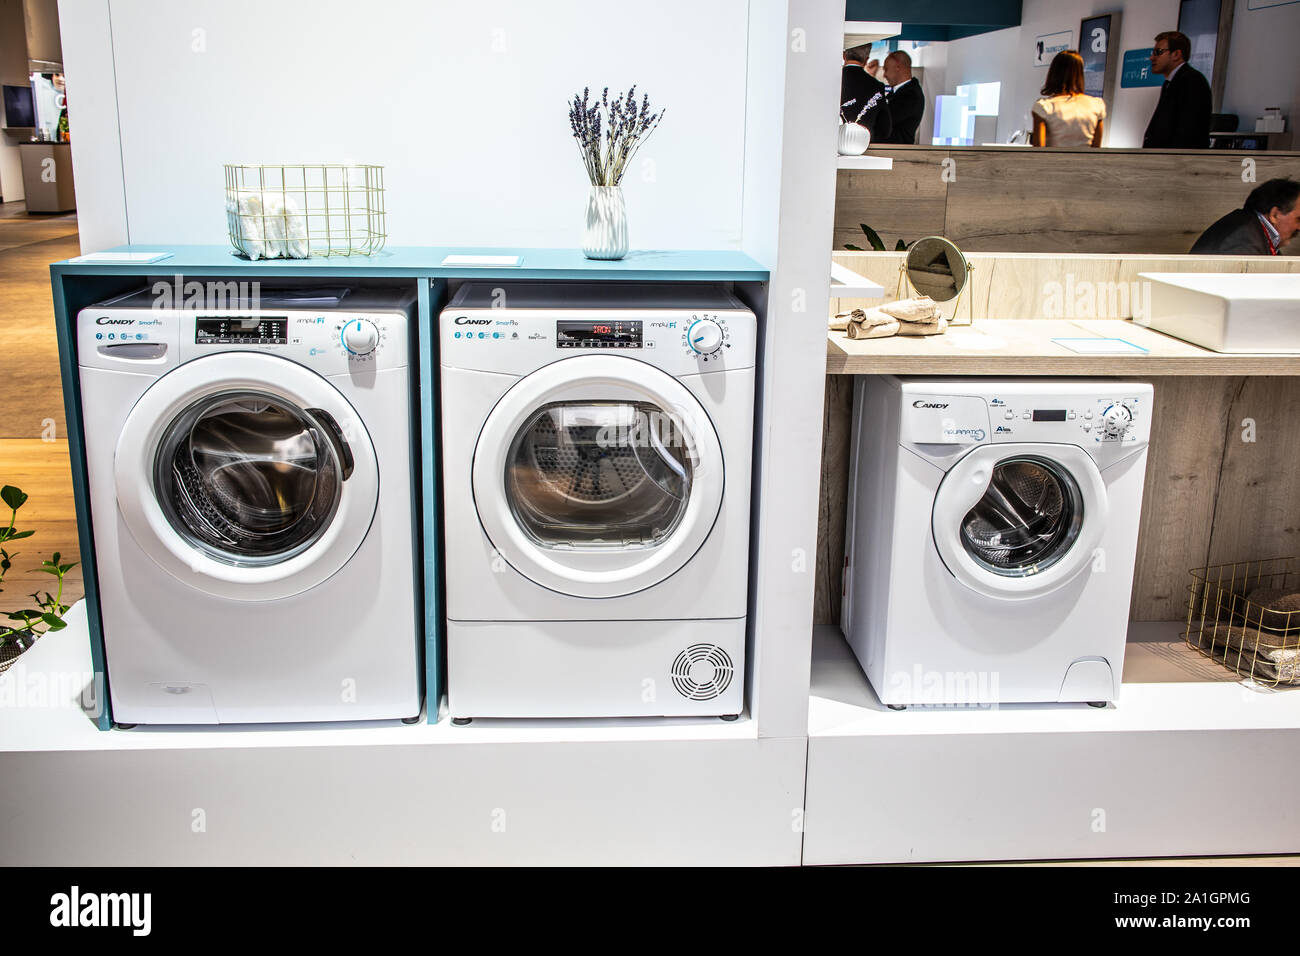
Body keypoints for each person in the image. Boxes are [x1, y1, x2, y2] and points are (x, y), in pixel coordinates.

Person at [1190, 178, 1300, 255]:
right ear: (1274, 215)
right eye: (1298, 219)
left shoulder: (1252, 230)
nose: (1299, 228)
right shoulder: (1244, 240)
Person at [1142, 31, 1211, 149]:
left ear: (1176, 54)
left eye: (1158, 52)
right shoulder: (1169, 83)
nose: (1152, 57)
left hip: (1177, 162)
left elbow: (1189, 131)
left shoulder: (1192, 80)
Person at [1030, 50, 1105, 147]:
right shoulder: (1096, 105)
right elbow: (1096, 149)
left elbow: (1039, 151)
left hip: (1054, 161)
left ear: (1054, 72)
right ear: (1080, 74)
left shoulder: (1044, 107)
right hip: (1085, 162)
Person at [841, 43, 892, 143]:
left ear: (844, 55)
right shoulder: (876, 86)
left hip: (830, 145)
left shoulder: (831, 80)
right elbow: (885, 129)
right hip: (863, 146)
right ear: (866, 59)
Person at [881, 51, 924, 145]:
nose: (884, 75)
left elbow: (885, 121)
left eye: (886, 69)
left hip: (895, 152)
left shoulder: (911, 95)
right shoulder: (900, 92)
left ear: (898, 67)